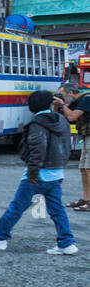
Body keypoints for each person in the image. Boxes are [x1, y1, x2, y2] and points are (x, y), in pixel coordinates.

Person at [0, 89, 77, 254]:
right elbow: (66, 146)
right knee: (57, 210)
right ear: (49, 104)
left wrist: (32, 173)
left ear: (32, 107)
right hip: (57, 172)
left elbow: (38, 150)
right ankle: (67, 243)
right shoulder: (61, 120)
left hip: (38, 174)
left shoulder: (38, 124)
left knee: (17, 207)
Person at [55, 81, 90, 211]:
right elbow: (58, 117)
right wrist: (57, 106)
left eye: (62, 94)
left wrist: (62, 104)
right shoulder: (80, 99)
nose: (61, 97)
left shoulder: (86, 99)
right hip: (87, 136)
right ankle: (85, 199)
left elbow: (71, 117)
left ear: (70, 93)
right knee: (83, 169)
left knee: (88, 169)